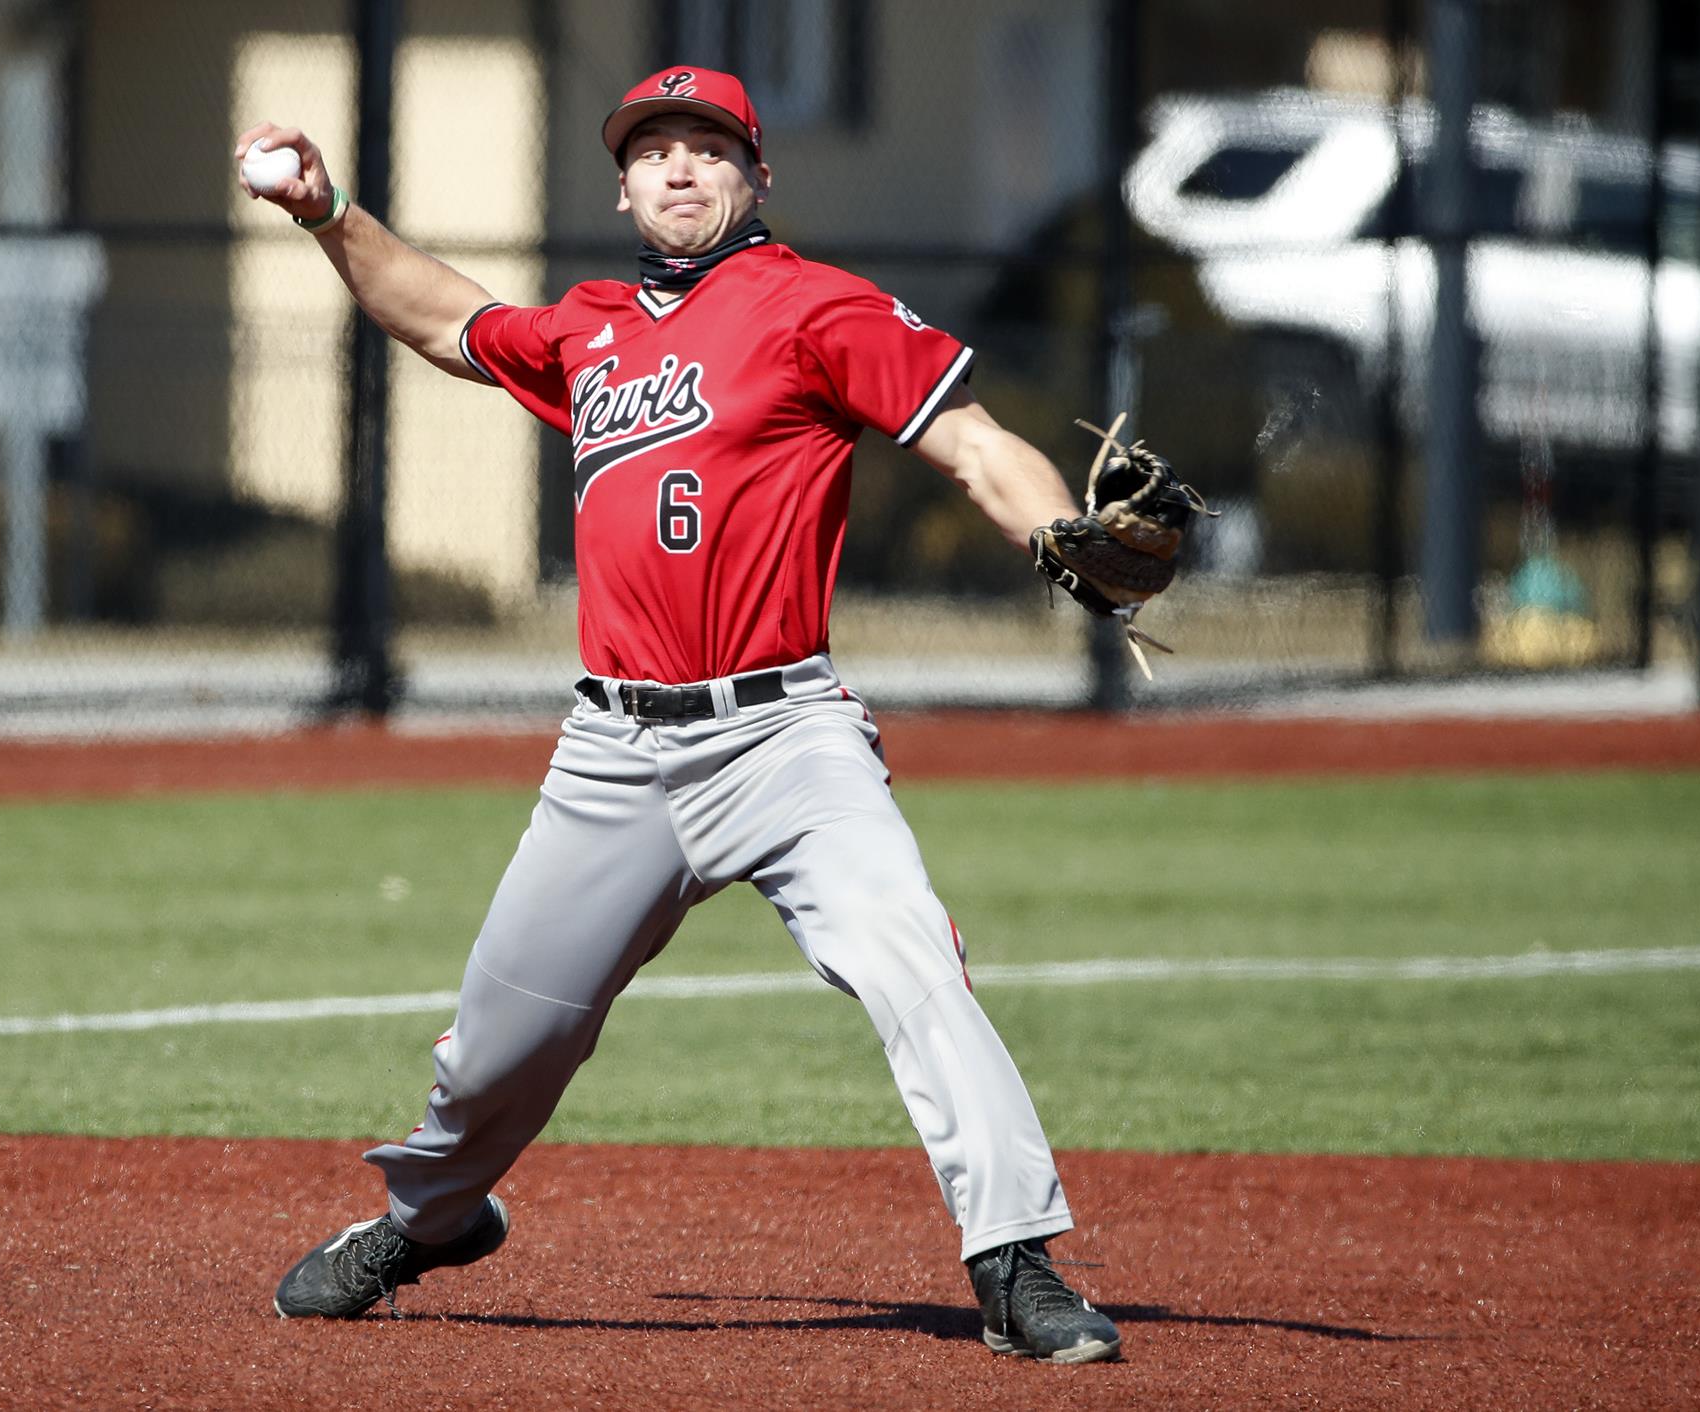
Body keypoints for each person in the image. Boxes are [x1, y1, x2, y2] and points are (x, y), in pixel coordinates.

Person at [240, 66, 1123, 1365]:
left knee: (910, 961)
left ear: (758, 176)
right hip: (614, 752)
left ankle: (1015, 1262)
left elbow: (974, 443)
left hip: (785, 737)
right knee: (497, 1051)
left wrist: (1057, 524)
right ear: (622, 183)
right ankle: (432, 1218)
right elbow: (448, 323)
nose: (680, 168)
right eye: (653, 148)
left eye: (709, 147)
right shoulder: (590, 328)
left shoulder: (818, 305)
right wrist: (330, 216)